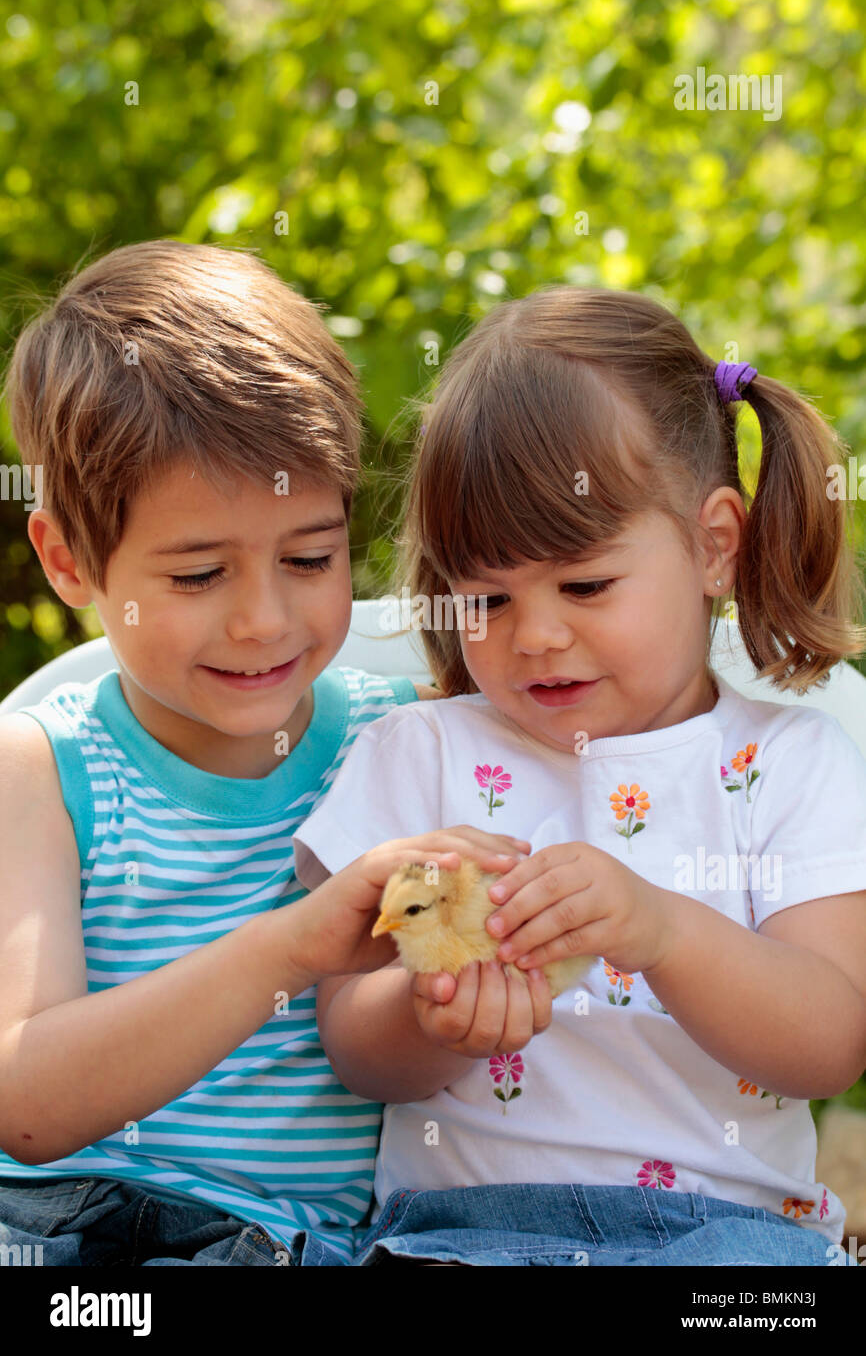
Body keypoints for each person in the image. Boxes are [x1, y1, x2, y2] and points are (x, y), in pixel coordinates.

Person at [292, 285, 866, 1267]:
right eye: (487, 596)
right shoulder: (417, 755)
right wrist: (432, 1014)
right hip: (459, 1235)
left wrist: (662, 928)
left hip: (724, 1235)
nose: (537, 635)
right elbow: (349, 1042)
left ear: (710, 545)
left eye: (584, 583)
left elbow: (828, 1039)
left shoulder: (789, 762)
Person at [0, 239, 529, 1266]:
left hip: (292, 1248)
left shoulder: (407, 740)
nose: (263, 620)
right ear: (69, 561)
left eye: (309, 557)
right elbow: (24, 1104)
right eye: (198, 575)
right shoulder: (39, 769)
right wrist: (295, 943)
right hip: (54, 1221)